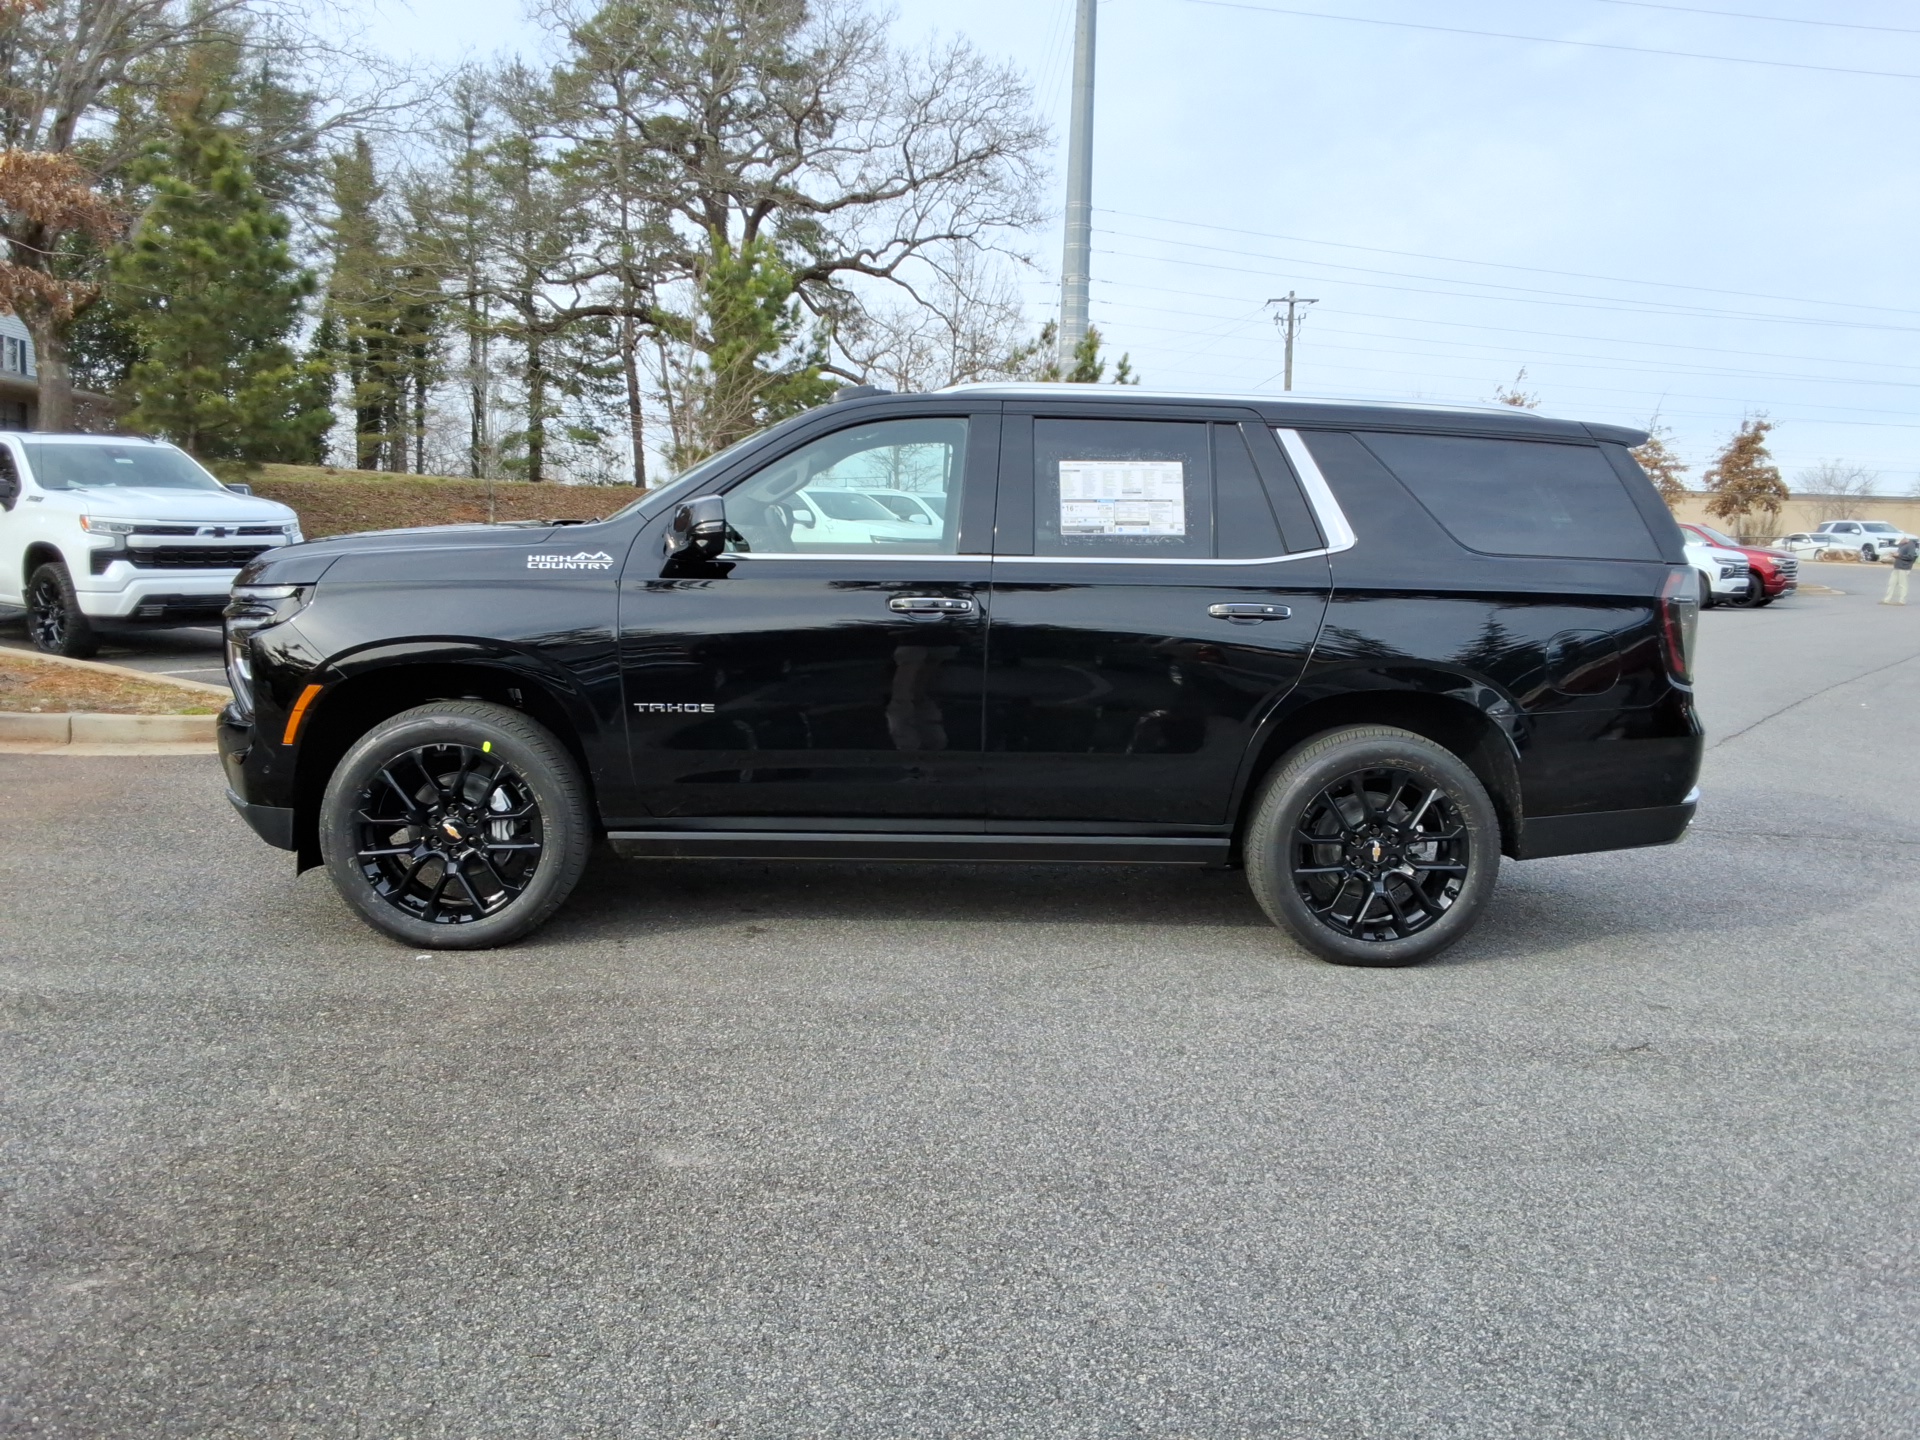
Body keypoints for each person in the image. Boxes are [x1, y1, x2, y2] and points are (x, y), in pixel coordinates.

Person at [1885, 535, 1919, 605]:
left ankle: (1902, 601)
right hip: (1897, 566)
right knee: (1891, 583)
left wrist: (1899, 555)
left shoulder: (1911, 545)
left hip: (1904, 568)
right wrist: (1894, 555)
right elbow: (1899, 554)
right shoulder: (1901, 545)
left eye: (1900, 541)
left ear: (1904, 539)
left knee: (1903, 585)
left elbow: (1911, 557)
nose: (1899, 543)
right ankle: (1887, 599)